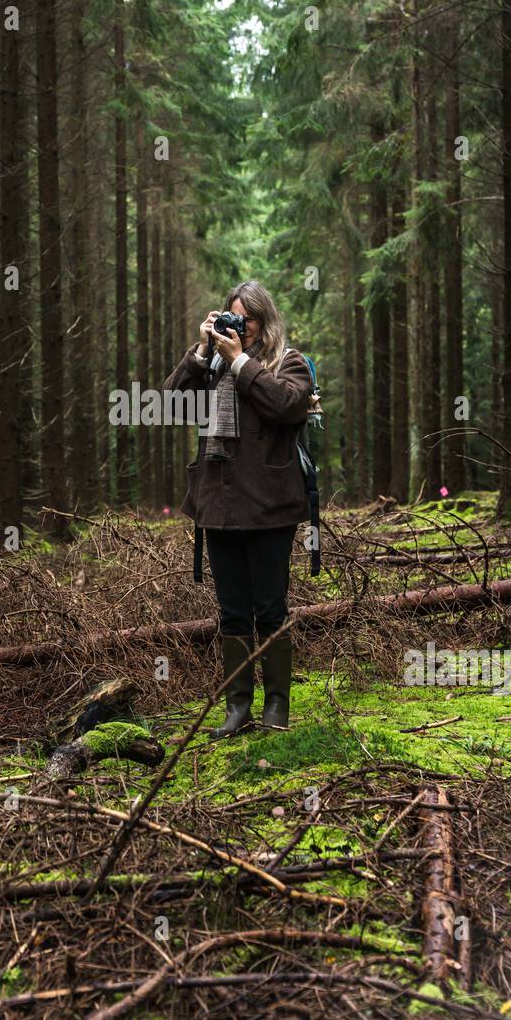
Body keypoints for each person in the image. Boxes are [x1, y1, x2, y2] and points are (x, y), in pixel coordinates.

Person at [164, 280, 313, 737]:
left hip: (270, 509)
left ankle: (277, 707)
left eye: (246, 320)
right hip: (220, 507)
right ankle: (237, 706)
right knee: (231, 611)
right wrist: (200, 352)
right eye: (231, 318)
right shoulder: (210, 367)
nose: (238, 327)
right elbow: (172, 404)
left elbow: (286, 405)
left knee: (270, 608)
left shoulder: (288, 363)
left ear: (264, 323)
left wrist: (241, 363)